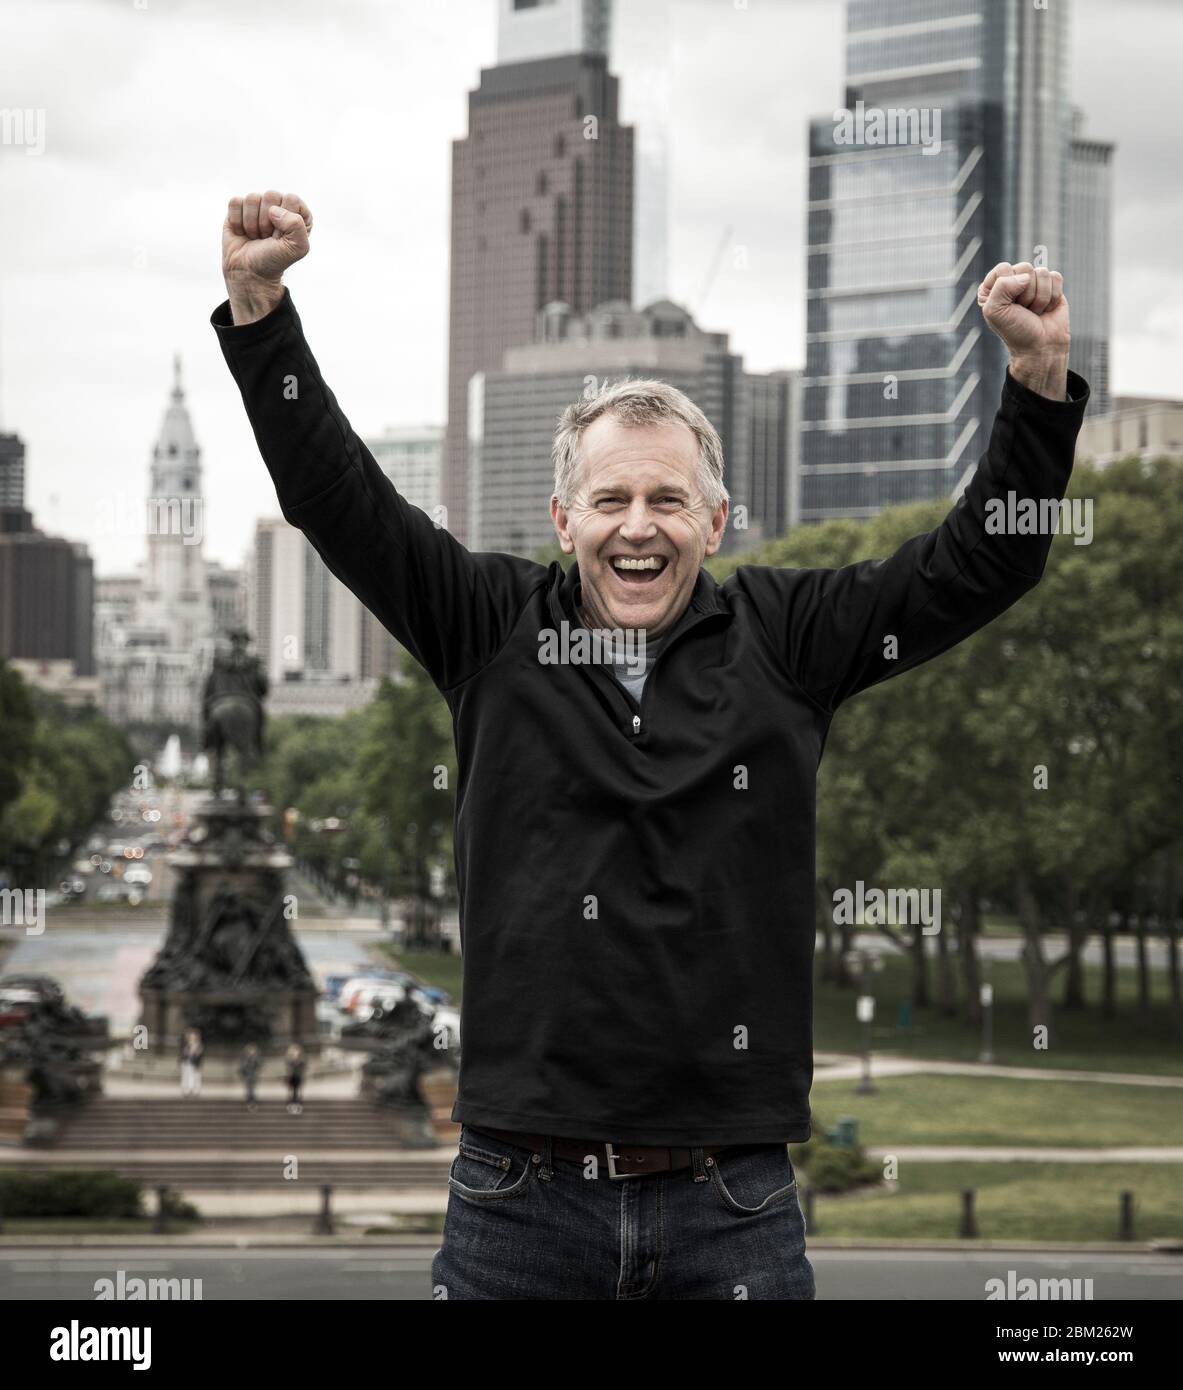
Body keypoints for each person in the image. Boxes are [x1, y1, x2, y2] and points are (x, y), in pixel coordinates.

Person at [213, 191, 1088, 1300]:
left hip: (732, 1210)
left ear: (714, 522)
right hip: (515, 1204)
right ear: (563, 518)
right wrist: (260, 309)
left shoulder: (790, 638)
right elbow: (334, 496)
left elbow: (983, 563)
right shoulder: (484, 626)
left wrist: (1038, 381)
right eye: (611, 498)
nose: (638, 524)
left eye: (667, 498)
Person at [179, 1028, 203, 1099]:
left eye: (193, 1036)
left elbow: (199, 1054)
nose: (192, 1038)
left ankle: (195, 1091)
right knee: (186, 1077)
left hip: (195, 1063)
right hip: (186, 1063)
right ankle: (186, 1090)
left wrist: (194, 1050)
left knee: (195, 1077)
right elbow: (184, 1053)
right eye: (191, 1036)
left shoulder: (199, 1045)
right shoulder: (186, 1044)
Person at [239, 1042, 261, 1110]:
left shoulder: (255, 1058)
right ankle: (250, 1102)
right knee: (249, 1089)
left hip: (253, 1076)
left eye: (253, 1051)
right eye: (250, 1051)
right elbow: (242, 1067)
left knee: (252, 1089)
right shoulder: (245, 1058)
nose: (251, 1052)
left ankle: (252, 1102)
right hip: (247, 1076)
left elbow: (259, 1065)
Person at [284, 1043, 305, 1114]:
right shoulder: (289, 1060)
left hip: (298, 1077)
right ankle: (290, 1106)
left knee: (297, 1092)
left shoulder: (301, 1060)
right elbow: (288, 1068)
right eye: (294, 1052)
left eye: (297, 1052)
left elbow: (303, 1068)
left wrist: (298, 1061)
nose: (296, 1053)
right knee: (291, 1092)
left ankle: (298, 1106)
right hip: (291, 1077)